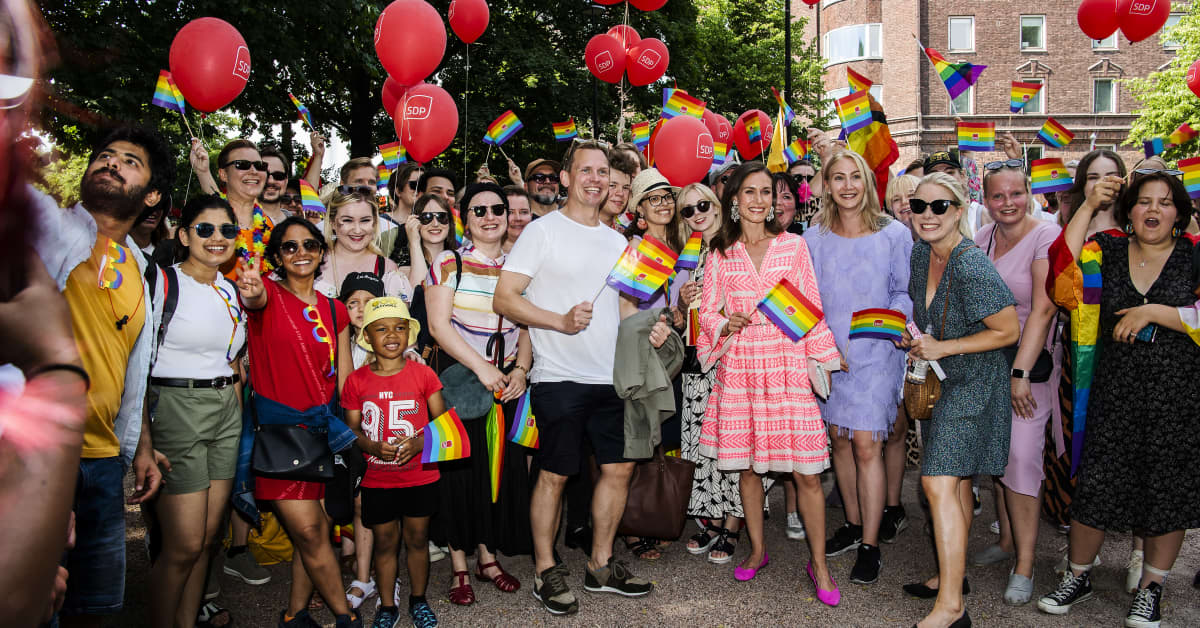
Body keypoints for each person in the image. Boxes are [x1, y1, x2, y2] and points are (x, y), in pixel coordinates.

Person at [495, 140, 666, 616]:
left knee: (619, 469)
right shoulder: (541, 232)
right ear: (568, 178)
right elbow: (505, 299)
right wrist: (559, 321)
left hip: (612, 377)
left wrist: (652, 328)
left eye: (603, 172)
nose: (596, 178)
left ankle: (601, 564)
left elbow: (629, 308)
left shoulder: (619, 243)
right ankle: (545, 570)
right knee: (555, 474)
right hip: (559, 377)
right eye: (586, 170)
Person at [1037, 170, 1199, 628]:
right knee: (1095, 489)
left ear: (1180, 213)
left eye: (1165, 203)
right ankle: (1078, 576)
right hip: (1113, 394)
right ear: (1127, 210)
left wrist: (1154, 312)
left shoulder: (1194, 256)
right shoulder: (1104, 249)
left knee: (1166, 493)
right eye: (1143, 201)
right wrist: (1087, 205)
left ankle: (1151, 589)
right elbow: (1060, 278)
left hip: (1178, 397)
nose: (1153, 210)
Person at [29, 126, 174, 627]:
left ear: (151, 194)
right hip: (37, 456)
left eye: (130, 161)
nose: (111, 163)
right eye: (105, 156)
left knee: (97, 609)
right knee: (32, 601)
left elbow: (133, 370)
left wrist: (141, 447)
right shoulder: (48, 228)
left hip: (104, 461)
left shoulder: (143, 268)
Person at [696, 161, 841, 603]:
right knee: (746, 469)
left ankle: (819, 563)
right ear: (734, 200)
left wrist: (826, 357)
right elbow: (705, 313)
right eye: (750, 192)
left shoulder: (793, 247)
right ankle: (758, 550)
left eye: (767, 192)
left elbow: (810, 306)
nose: (760, 201)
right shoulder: (719, 253)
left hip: (786, 365)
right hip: (740, 368)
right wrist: (724, 322)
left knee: (808, 473)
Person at [900, 172, 1020, 628]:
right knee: (954, 485)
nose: (927, 215)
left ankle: (951, 607)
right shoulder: (920, 254)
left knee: (936, 483)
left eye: (939, 206)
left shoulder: (971, 264)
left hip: (976, 382)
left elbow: (1009, 330)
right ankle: (951, 579)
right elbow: (930, 319)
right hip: (941, 381)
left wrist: (943, 347)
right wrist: (916, 340)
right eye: (919, 206)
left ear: (960, 210)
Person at [234, 216, 361, 628]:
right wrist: (251, 291)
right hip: (280, 436)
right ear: (276, 257)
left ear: (322, 252)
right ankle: (346, 618)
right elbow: (252, 302)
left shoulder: (334, 308)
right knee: (308, 532)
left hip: (325, 433)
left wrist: (353, 432)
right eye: (289, 247)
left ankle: (294, 614)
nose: (301, 252)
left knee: (319, 531)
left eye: (309, 244)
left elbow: (344, 378)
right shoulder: (266, 293)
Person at [804, 150, 913, 586]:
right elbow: (805, 302)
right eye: (838, 178)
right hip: (829, 356)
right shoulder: (813, 239)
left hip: (877, 354)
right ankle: (851, 523)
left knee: (867, 444)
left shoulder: (894, 236)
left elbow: (903, 293)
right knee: (840, 442)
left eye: (855, 177)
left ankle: (870, 544)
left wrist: (888, 329)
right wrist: (823, 350)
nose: (848, 186)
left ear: (868, 183)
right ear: (826, 186)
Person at [426, 182, 534, 605]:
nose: (490, 217)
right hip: (460, 380)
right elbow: (438, 326)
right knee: (459, 476)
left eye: (497, 209)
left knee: (495, 471)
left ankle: (488, 557)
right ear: (465, 219)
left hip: (505, 383)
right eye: (479, 210)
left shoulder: (520, 267)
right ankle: (458, 566)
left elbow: (527, 326)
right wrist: (482, 367)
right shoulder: (449, 263)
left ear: (508, 215)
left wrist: (521, 369)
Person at [144, 195, 246, 628]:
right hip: (177, 406)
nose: (217, 238)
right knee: (183, 544)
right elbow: (137, 364)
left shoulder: (230, 288)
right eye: (205, 229)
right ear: (184, 236)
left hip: (227, 409)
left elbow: (235, 360)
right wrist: (143, 443)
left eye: (226, 230)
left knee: (206, 539)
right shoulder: (161, 283)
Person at [967, 162, 1062, 605]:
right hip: (988, 364)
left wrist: (1020, 375)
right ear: (986, 200)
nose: (1007, 203)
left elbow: (1043, 309)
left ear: (1030, 193)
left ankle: (1025, 563)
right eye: (998, 196)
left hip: (1030, 365)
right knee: (999, 453)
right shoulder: (982, 238)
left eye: (1016, 194)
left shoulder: (1046, 236)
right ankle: (1006, 540)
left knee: (1023, 458)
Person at [342, 297, 442, 628]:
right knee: (385, 543)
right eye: (381, 329)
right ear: (367, 336)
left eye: (400, 327)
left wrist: (419, 443)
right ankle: (387, 606)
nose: (391, 335)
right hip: (378, 480)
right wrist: (371, 445)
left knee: (417, 539)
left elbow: (444, 425)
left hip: (420, 477)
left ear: (409, 333)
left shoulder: (423, 374)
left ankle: (418, 599)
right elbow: (352, 430)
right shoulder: (356, 381)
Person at [1041, 149, 1127, 533]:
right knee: (1074, 443)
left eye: (1111, 175)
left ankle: (1137, 550)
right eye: (1093, 177)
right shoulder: (1075, 231)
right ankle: (1076, 531)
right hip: (1078, 356)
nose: (1103, 183)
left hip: (1125, 359)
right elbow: (1060, 280)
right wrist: (1087, 209)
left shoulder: (1137, 233)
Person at [675, 182, 750, 565]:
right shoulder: (691, 252)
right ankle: (711, 516)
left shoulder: (736, 245)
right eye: (687, 210)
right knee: (702, 447)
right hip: (698, 363)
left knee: (734, 442)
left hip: (730, 360)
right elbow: (680, 314)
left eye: (702, 204)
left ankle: (734, 524)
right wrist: (681, 301)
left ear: (718, 204)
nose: (696, 214)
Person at [189, 139, 276, 280]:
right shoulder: (210, 222)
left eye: (260, 166)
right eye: (242, 165)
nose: (253, 171)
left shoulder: (268, 225)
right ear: (223, 175)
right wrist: (202, 171)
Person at [315, 190, 412, 303]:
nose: (357, 230)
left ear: (374, 223)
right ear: (332, 222)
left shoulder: (387, 269)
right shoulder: (313, 263)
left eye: (365, 220)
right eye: (347, 220)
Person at [923, 151, 990, 236]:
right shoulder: (921, 218)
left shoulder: (980, 215)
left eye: (949, 172)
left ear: (962, 176)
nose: (943, 178)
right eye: (935, 174)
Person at [382, 163, 426, 267]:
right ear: (398, 191)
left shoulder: (431, 224)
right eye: (414, 185)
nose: (420, 190)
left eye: (423, 186)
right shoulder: (378, 223)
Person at [600, 150, 637, 230]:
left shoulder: (625, 235)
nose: (620, 193)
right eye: (612, 185)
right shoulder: (574, 228)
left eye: (625, 187)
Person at [503, 185, 533, 251]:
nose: (518, 218)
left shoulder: (544, 248)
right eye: (510, 212)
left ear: (531, 215)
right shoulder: (482, 253)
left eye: (524, 212)